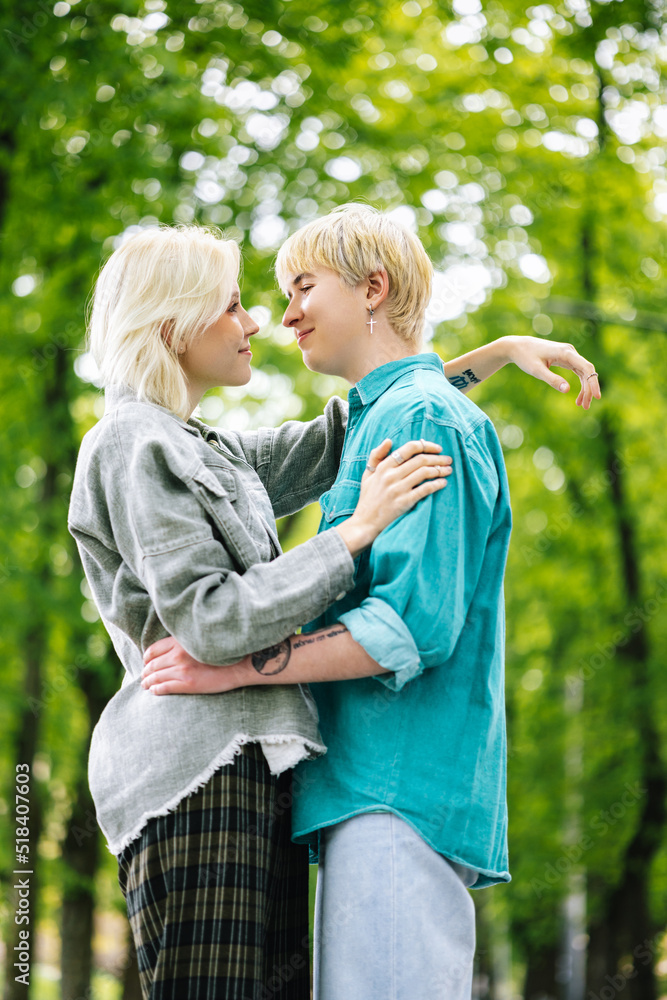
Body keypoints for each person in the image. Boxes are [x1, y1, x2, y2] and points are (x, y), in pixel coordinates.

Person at [142, 206, 600, 1000]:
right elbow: (405, 389)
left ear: (372, 289)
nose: (281, 315)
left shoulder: (422, 418)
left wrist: (238, 668)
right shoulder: (390, 415)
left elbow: (407, 626)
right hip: (367, 788)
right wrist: (491, 354)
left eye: (302, 287)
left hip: (397, 788)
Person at [68, 224, 454, 1000]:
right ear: (174, 323)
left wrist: (501, 353)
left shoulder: (204, 445)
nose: (254, 324)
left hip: (255, 763)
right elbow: (207, 622)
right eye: (234, 305)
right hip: (195, 774)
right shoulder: (131, 444)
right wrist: (352, 535)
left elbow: (357, 426)